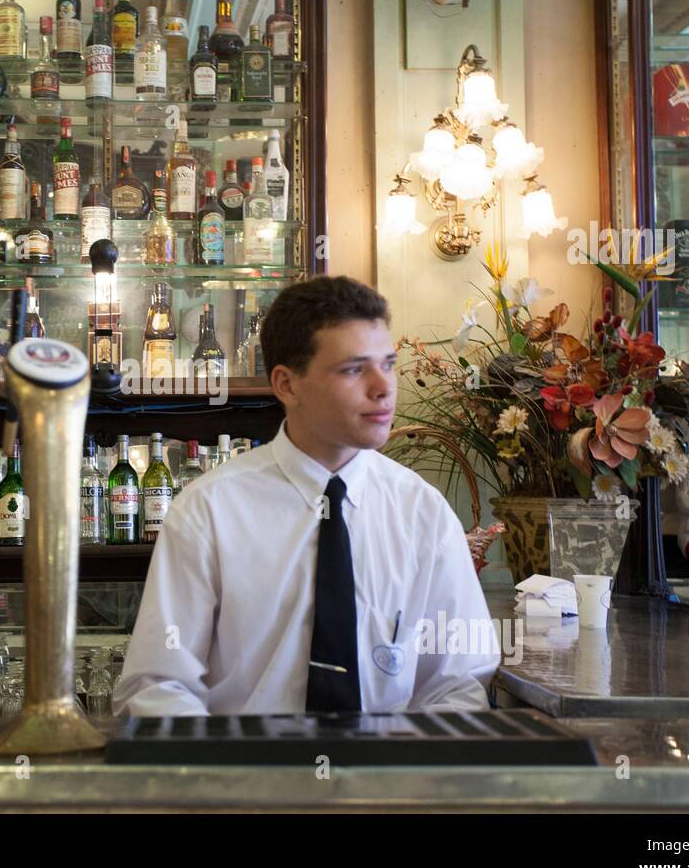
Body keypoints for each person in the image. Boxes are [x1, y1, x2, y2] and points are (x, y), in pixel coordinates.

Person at [113, 276, 499, 716]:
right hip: (250, 775)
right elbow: (158, 686)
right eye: (354, 369)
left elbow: (455, 685)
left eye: (388, 364)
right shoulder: (209, 512)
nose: (383, 387)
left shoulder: (423, 513)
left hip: (385, 775)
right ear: (287, 385)